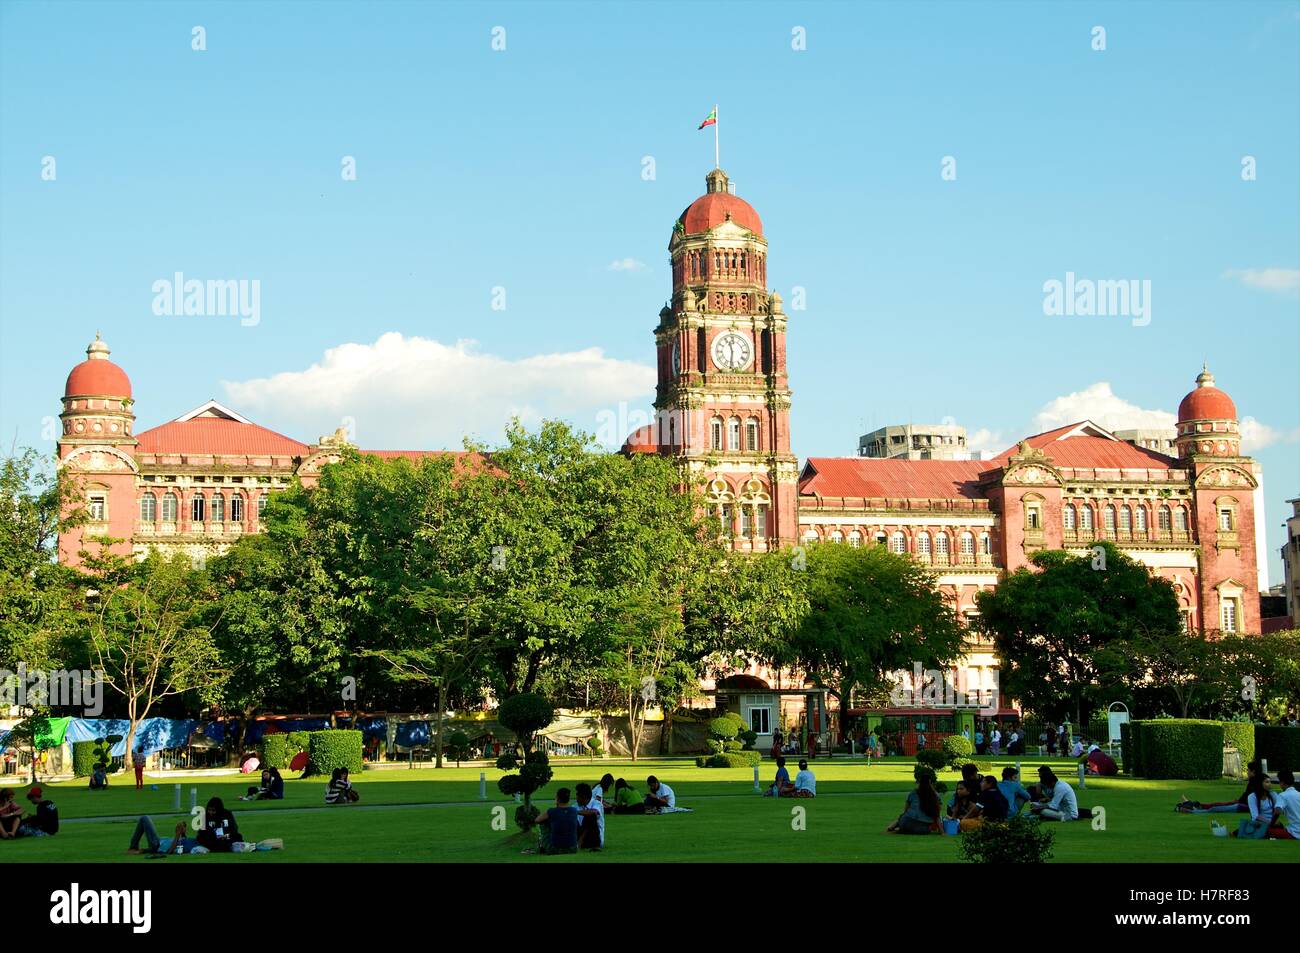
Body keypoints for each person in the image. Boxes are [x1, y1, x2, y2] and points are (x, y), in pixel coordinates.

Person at [1179, 760, 1258, 813]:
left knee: (1216, 807)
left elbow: (1248, 797)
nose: (1247, 772)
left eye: (1248, 770)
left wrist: (1238, 801)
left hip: (1243, 805)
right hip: (1241, 804)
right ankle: (1191, 804)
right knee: (1217, 805)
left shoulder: (1255, 782)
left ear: (1253, 771)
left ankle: (1191, 809)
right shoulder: (1253, 782)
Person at [528, 788, 579, 855]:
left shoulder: (552, 811)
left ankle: (542, 845)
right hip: (573, 848)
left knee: (543, 823)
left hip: (554, 849)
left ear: (558, 799)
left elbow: (537, 820)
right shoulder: (574, 811)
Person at [1233, 773, 1278, 839]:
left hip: (1272, 823)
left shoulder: (1273, 794)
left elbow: (1279, 809)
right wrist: (1270, 822)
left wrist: (1273, 822)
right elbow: (1256, 816)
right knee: (1238, 833)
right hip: (1258, 823)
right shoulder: (1252, 797)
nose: (1270, 784)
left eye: (1270, 782)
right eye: (1267, 782)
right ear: (1260, 783)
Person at [127, 817, 198, 855]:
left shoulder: (192, 846)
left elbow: (170, 851)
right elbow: (182, 840)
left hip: (156, 845)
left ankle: (133, 847)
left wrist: (177, 834)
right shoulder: (191, 840)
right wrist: (182, 832)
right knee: (143, 820)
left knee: (144, 819)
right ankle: (133, 847)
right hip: (159, 841)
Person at [1270, 769, 1300, 840]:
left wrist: (1271, 824)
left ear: (1282, 783)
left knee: (1268, 831)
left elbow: (1277, 811)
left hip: (1294, 832)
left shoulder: (1283, 795)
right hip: (1295, 829)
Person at [574, 782, 604, 851]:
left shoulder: (597, 804)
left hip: (593, 838)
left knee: (591, 816)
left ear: (583, 797)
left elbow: (594, 812)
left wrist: (576, 812)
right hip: (580, 835)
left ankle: (580, 842)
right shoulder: (575, 806)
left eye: (577, 795)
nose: (576, 797)